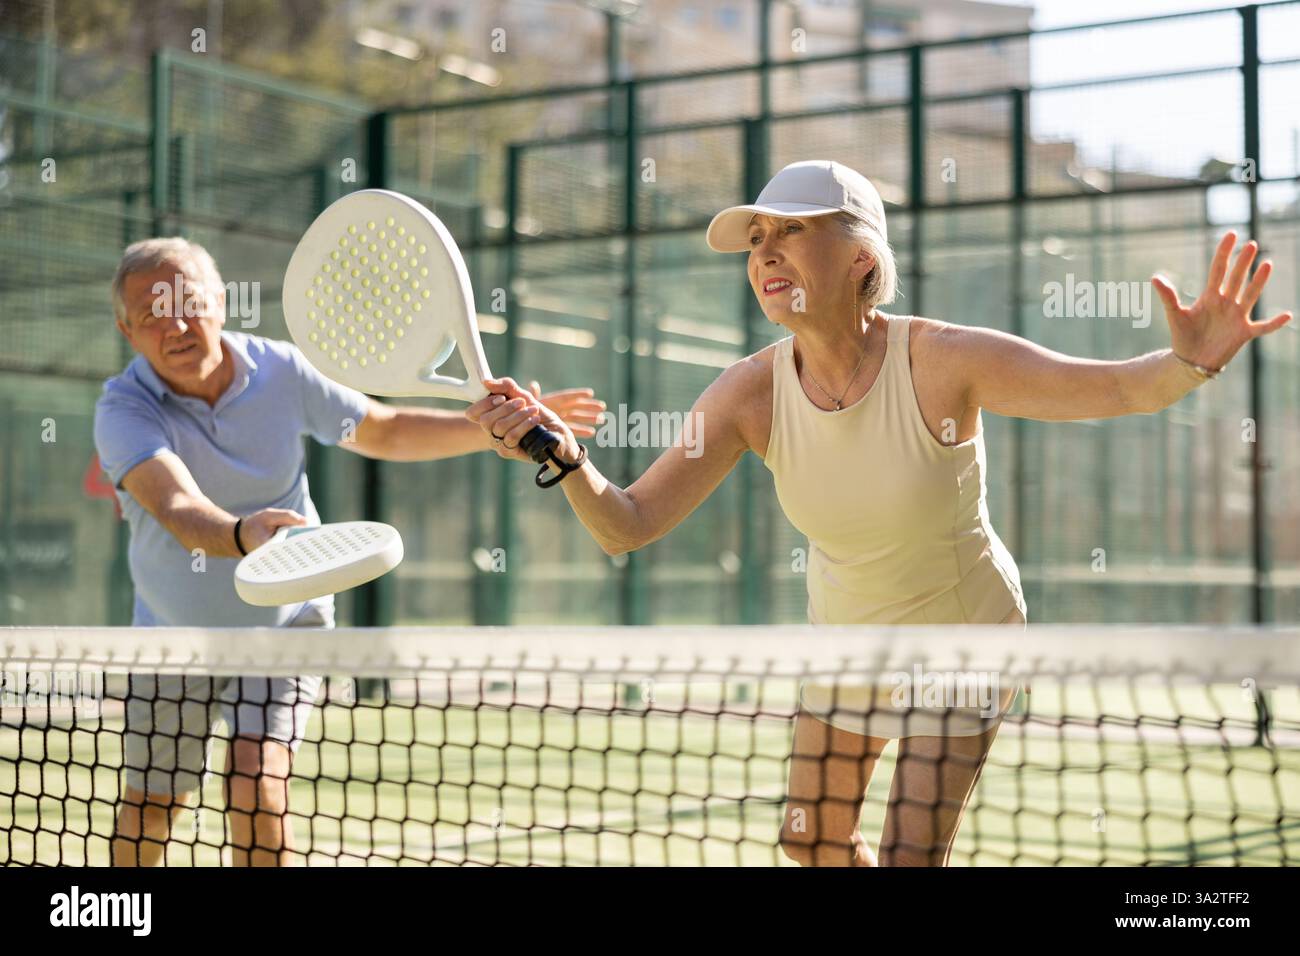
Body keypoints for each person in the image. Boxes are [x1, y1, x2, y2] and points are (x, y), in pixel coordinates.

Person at [466, 159, 1293, 866]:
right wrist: (559, 455)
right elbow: (629, 523)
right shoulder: (747, 392)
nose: (766, 253)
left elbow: (1113, 386)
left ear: (862, 255)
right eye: (756, 241)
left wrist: (1188, 363)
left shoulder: (943, 360)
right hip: (849, 638)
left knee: (907, 857)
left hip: (961, 638)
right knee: (808, 840)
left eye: (790, 231)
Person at [95, 237, 604, 866]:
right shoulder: (123, 407)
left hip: (287, 627)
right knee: (151, 804)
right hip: (172, 634)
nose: (175, 325)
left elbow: (383, 431)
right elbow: (175, 508)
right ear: (126, 330)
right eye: (152, 314)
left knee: (257, 786)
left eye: (189, 302)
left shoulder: (281, 371)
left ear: (222, 302)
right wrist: (240, 535)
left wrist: (486, 431)